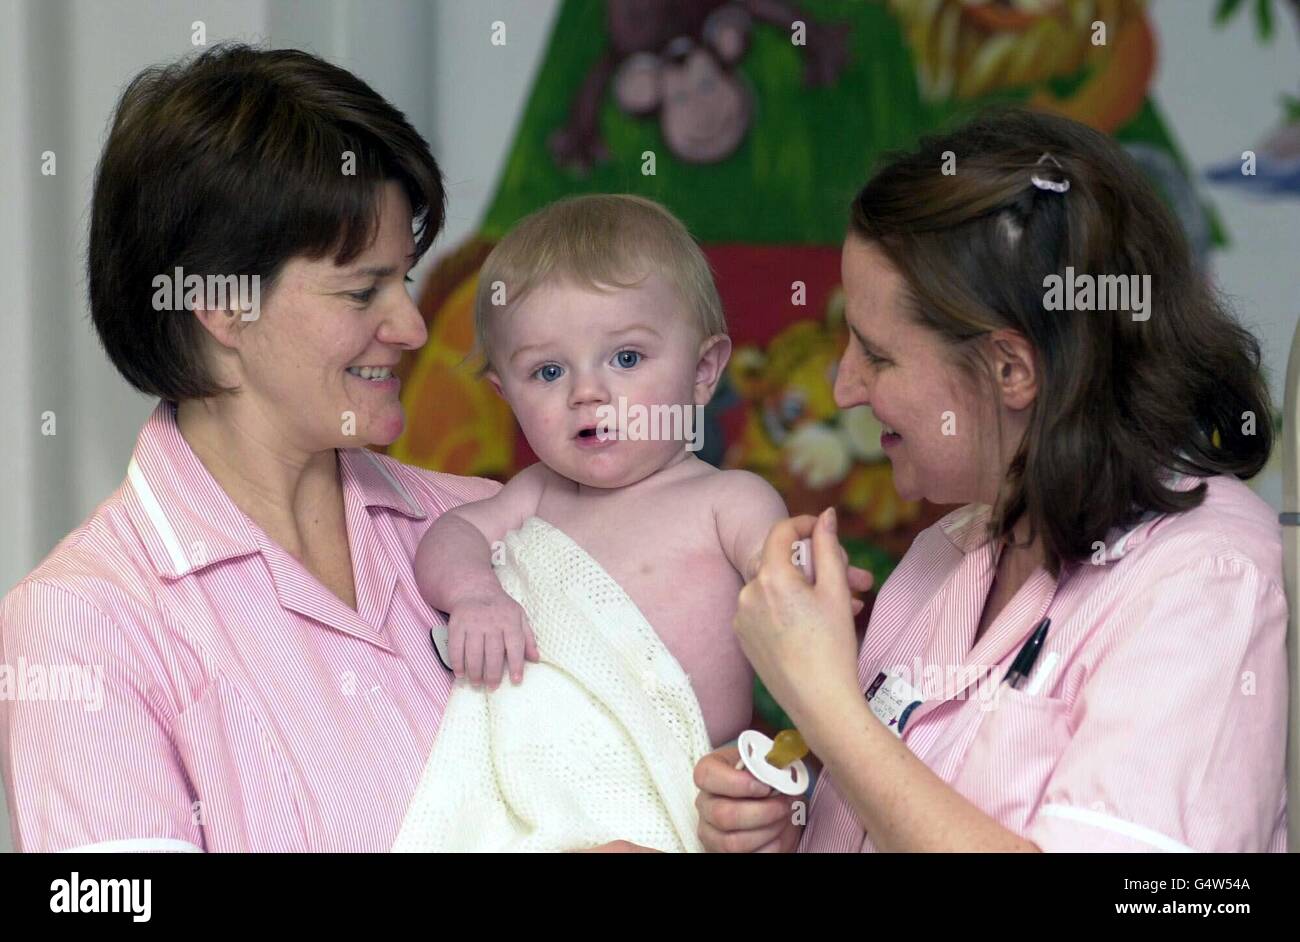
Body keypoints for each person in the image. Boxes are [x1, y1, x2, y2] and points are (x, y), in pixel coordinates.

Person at [694, 108, 1287, 853]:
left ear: (1011, 370)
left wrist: (824, 705)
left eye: (877, 356)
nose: (843, 388)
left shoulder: (1206, 578)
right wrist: (785, 808)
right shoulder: (953, 549)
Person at [0, 43, 498, 851]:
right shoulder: (87, 623)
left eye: (405, 278)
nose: (411, 327)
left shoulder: (489, 525)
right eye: (362, 289)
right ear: (222, 308)